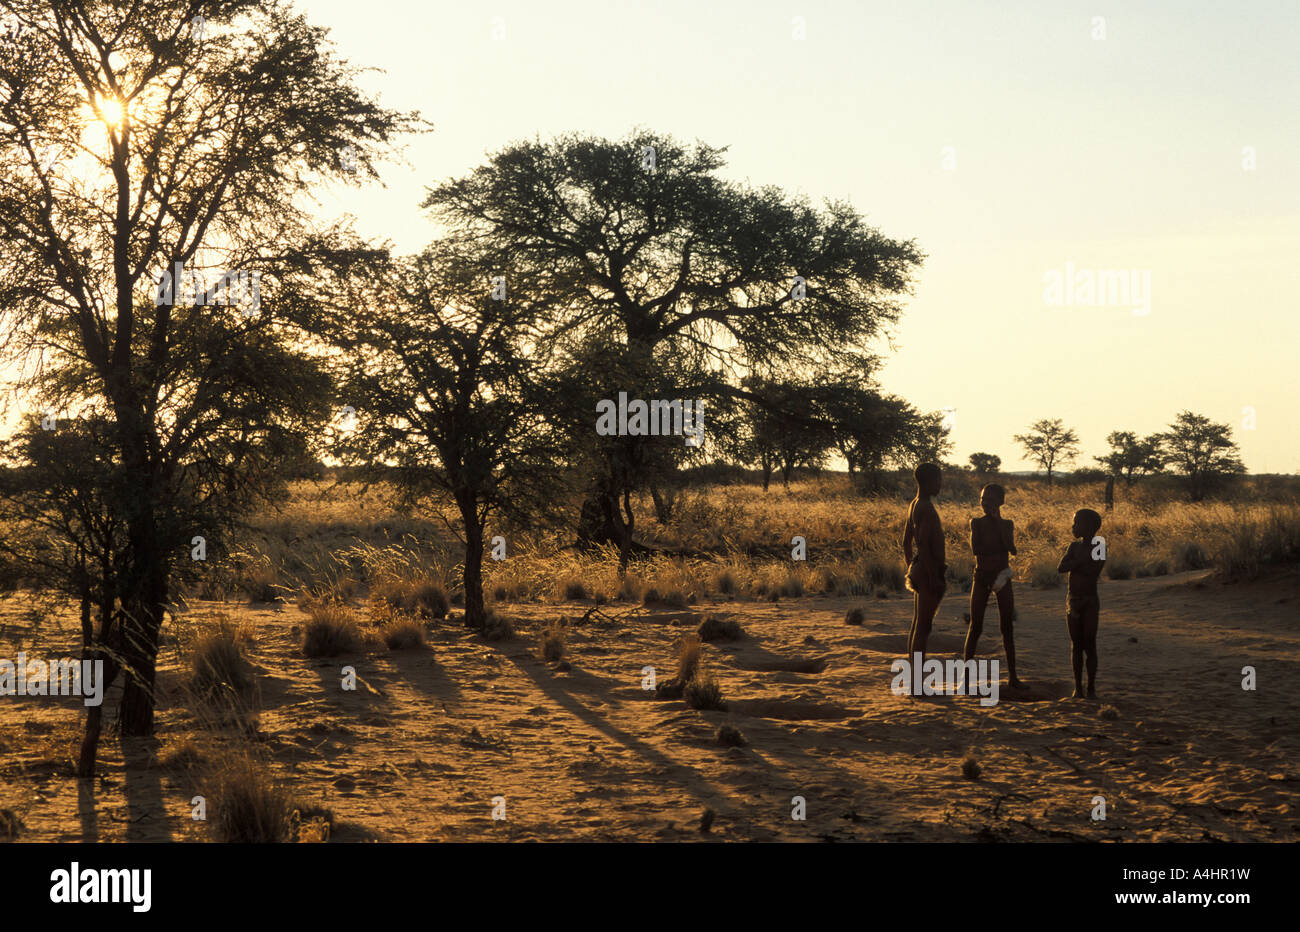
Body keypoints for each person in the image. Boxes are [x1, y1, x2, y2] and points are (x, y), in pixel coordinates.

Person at [963, 484, 1024, 689]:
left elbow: (1012, 549)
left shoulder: (1007, 524)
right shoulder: (976, 523)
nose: (985, 503)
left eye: (989, 500)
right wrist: (999, 546)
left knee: (1007, 627)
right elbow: (976, 549)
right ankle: (966, 678)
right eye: (982, 499)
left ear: (1001, 502)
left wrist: (998, 525)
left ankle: (1013, 677)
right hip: (981, 576)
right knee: (975, 626)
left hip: (1002, 576)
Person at [902, 463, 945, 678]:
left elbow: (906, 543)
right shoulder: (926, 507)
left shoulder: (914, 504)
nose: (940, 484)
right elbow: (924, 545)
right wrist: (931, 575)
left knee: (917, 624)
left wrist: (912, 568)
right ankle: (918, 682)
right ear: (928, 482)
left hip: (919, 569)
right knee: (924, 627)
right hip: (928, 571)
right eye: (938, 480)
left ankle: (914, 678)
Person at [1057, 508, 1106, 698]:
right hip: (1073, 599)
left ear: (1090, 526)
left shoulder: (1099, 544)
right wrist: (1082, 561)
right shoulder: (1074, 546)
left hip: (1089, 601)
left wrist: (1076, 563)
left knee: (1089, 643)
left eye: (1077, 523)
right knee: (1076, 645)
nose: (1073, 526)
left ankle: (1091, 687)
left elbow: (1093, 571)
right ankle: (1079, 687)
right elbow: (1061, 567)